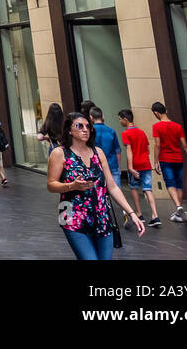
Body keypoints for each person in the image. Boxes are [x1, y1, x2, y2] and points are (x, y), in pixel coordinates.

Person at [47, 112, 144, 259]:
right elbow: (51, 184)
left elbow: (112, 186)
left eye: (88, 126)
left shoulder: (98, 152)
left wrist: (132, 213)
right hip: (71, 216)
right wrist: (72, 186)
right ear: (69, 130)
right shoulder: (59, 153)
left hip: (101, 215)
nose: (85, 129)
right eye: (79, 126)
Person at [151, 102, 187, 223]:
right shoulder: (177, 126)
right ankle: (178, 212)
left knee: (170, 184)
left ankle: (179, 207)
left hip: (166, 159)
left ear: (156, 113)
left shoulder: (157, 127)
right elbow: (185, 146)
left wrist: (155, 161)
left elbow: (157, 145)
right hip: (178, 159)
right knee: (178, 184)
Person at [119, 109, 161, 227]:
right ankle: (155, 215)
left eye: (120, 119)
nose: (120, 121)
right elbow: (147, 149)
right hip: (145, 164)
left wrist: (131, 167)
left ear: (125, 119)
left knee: (134, 188)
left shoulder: (126, 133)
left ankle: (139, 213)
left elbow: (129, 151)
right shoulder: (141, 132)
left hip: (135, 165)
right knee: (148, 189)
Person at [90, 107, 121, 187]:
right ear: (102, 116)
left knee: (100, 191)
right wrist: (119, 166)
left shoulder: (90, 131)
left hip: (97, 165)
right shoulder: (111, 131)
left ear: (91, 117)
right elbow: (117, 150)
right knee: (116, 189)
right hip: (113, 164)